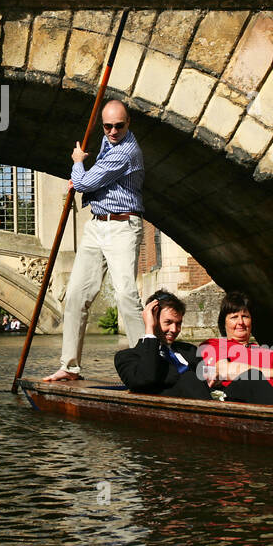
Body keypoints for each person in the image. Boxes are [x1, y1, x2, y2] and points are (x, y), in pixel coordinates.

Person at [42, 99, 145, 382]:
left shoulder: (126, 151)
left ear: (129, 123)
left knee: (126, 295)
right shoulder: (107, 140)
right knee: (76, 296)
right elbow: (92, 183)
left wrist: (78, 164)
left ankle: (144, 366)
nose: (113, 132)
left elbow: (86, 183)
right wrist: (84, 177)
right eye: (108, 126)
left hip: (123, 226)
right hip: (96, 226)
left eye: (119, 126)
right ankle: (70, 367)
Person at [198, 291, 273, 406]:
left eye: (245, 316)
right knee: (251, 376)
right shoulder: (215, 344)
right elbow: (224, 370)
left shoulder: (271, 352)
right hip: (249, 398)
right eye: (234, 317)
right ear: (224, 323)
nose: (241, 322)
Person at [114, 290, 211, 399]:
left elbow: (209, 382)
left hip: (209, 406)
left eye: (178, 323)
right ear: (153, 319)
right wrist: (149, 329)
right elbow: (145, 379)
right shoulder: (126, 357)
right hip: (170, 412)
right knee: (188, 377)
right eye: (168, 322)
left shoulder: (190, 351)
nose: (174, 329)